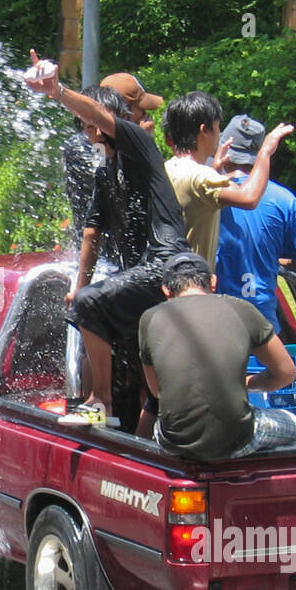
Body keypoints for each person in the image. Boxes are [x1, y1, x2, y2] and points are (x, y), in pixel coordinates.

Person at [24, 51, 190, 428]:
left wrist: (57, 91)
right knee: (131, 369)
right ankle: (135, 437)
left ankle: (101, 401)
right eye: (83, 124)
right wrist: (77, 286)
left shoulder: (140, 148)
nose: (86, 131)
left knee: (89, 304)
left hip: (166, 265)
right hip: (142, 279)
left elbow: (102, 115)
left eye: (89, 123)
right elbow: (91, 231)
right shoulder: (106, 170)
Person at [140, 251, 296, 458]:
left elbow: (156, 390)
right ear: (213, 282)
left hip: (174, 443)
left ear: (166, 290)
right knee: (295, 426)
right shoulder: (241, 309)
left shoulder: (149, 319)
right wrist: (246, 383)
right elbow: (286, 373)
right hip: (237, 440)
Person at [164, 94, 295, 272]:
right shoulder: (201, 176)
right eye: (218, 128)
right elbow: (249, 198)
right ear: (204, 130)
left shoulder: (168, 168)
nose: (219, 135)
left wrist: (216, 171)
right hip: (192, 285)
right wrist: (265, 152)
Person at [214, 114, 296, 331]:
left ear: (225, 151)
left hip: (214, 326)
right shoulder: (284, 199)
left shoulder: (207, 194)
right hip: (263, 325)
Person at [61, 73, 160, 236]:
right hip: (102, 251)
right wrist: (138, 142)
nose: (145, 115)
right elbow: (109, 184)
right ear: (120, 110)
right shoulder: (85, 145)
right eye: (139, 108)